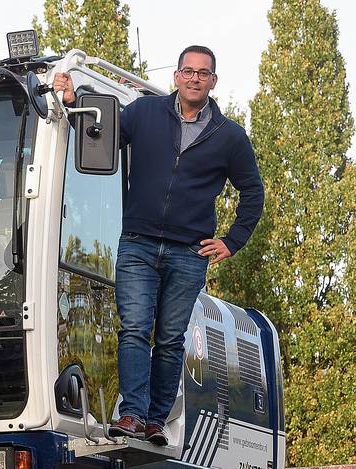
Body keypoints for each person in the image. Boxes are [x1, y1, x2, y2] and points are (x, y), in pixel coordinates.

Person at [53, 45, 264, 446]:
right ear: (177, 77)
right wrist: (72, 100)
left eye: (203, 73)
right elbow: (103, 131)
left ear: (213, 81)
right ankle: (131, 414)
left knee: (169, 339)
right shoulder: (145, 113)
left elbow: (252, 191)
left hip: (189, 253)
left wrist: (232, 241)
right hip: (138, 243)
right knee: (133, 329)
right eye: (188, 71)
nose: (194, 78)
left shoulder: (231, 137)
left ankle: (155, 420)